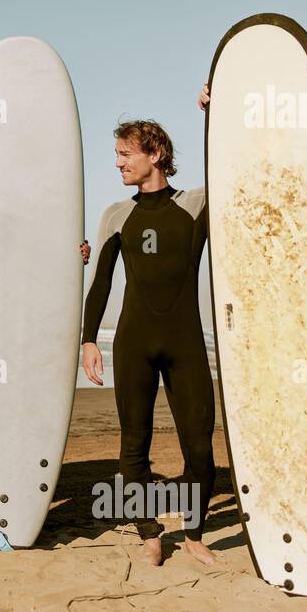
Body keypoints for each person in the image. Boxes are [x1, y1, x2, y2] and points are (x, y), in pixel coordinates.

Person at [78, 95, 219, 566]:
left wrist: (213, 109)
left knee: (199, 446)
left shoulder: (197, 205)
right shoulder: (116, 215)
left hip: (186, 344)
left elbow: (232, 166)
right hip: (134, 342)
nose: (117, 163)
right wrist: (88, 338)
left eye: (125, 154)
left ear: (154, 154)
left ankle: (194, 534)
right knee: (132, 445)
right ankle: (149, 531)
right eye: (116, 155)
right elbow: (100, 281)